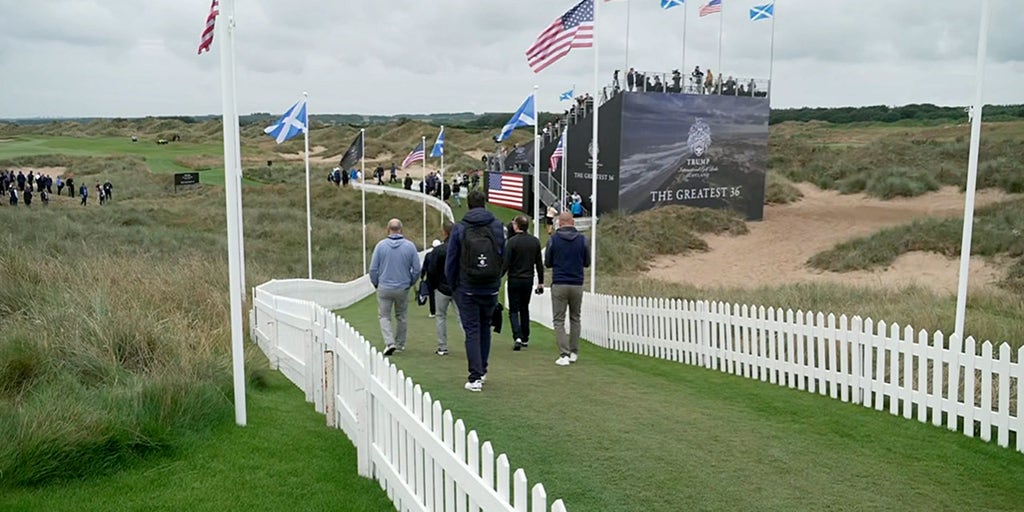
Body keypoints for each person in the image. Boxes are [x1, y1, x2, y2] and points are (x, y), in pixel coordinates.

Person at [446, 190, 504, 392]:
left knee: (472, 331)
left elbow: (451, 260)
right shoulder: (497, 226)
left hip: (468, 287)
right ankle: (483, 369)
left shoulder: (460, 228)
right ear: (485, 204)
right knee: (485, 328)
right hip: (490, 287)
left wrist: (453, 285)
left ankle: (475, 376)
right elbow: (501, 256)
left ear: (468, 204)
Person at [369, 219, 421, 356]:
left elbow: (373, 269)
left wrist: (376, 283)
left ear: (388, 230)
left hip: (384, 286)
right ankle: (400, 344)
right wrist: (410, 282)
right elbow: (416, 269)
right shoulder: (410, 246)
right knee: (401, 316)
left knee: (384, 316)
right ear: (401, 230)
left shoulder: (381, 246)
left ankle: (389, 342)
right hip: (402, 287)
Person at [545, 212, 590, 366]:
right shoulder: (583, 239)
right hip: (577, 283)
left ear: (560, 223)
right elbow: (587, 262)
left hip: (560, 282)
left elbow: (548, 262)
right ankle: (574, 352)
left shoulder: (553, 240)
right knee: (575, 318)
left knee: (559, 320)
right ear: (572, 222)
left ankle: (564, 353)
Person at [503, 215, 544, 351]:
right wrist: (541, 282)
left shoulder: (512, 242)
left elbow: (506, 262)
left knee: (513, 309)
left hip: (514, 278)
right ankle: (525, 336)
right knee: (524, 307)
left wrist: (498, 276)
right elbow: (539, 263)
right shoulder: (535, 242)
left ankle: (517, 336)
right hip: (528, 279)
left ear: (517, 226)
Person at [426, 221, 458, 356]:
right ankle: (471, 345)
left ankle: (442, 346)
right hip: (457, 287)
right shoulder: (460, 248)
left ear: (444, 232)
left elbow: (432, 271)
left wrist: (433, 287)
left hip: (441, 288)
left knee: (440, 317)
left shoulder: (438, 250)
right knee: (462, 317)